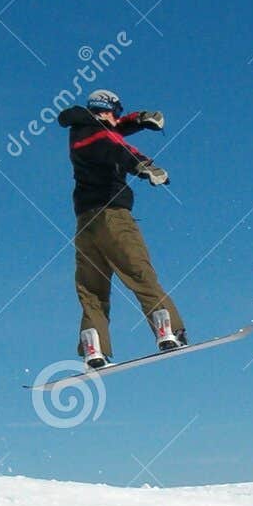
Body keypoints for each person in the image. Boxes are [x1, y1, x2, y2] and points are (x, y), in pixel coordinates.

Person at [57, 88, 187, 368]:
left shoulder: (82, 133)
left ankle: (94, 347)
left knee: (92, 290)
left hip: (85, 226)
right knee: (139, 272)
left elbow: (114, 131)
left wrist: (140, 120)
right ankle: (168, 329)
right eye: (115, 113)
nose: (117, 119)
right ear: (106, 111)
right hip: (113, 219)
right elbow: (116, 147)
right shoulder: (100, 137)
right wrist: (144, 166)